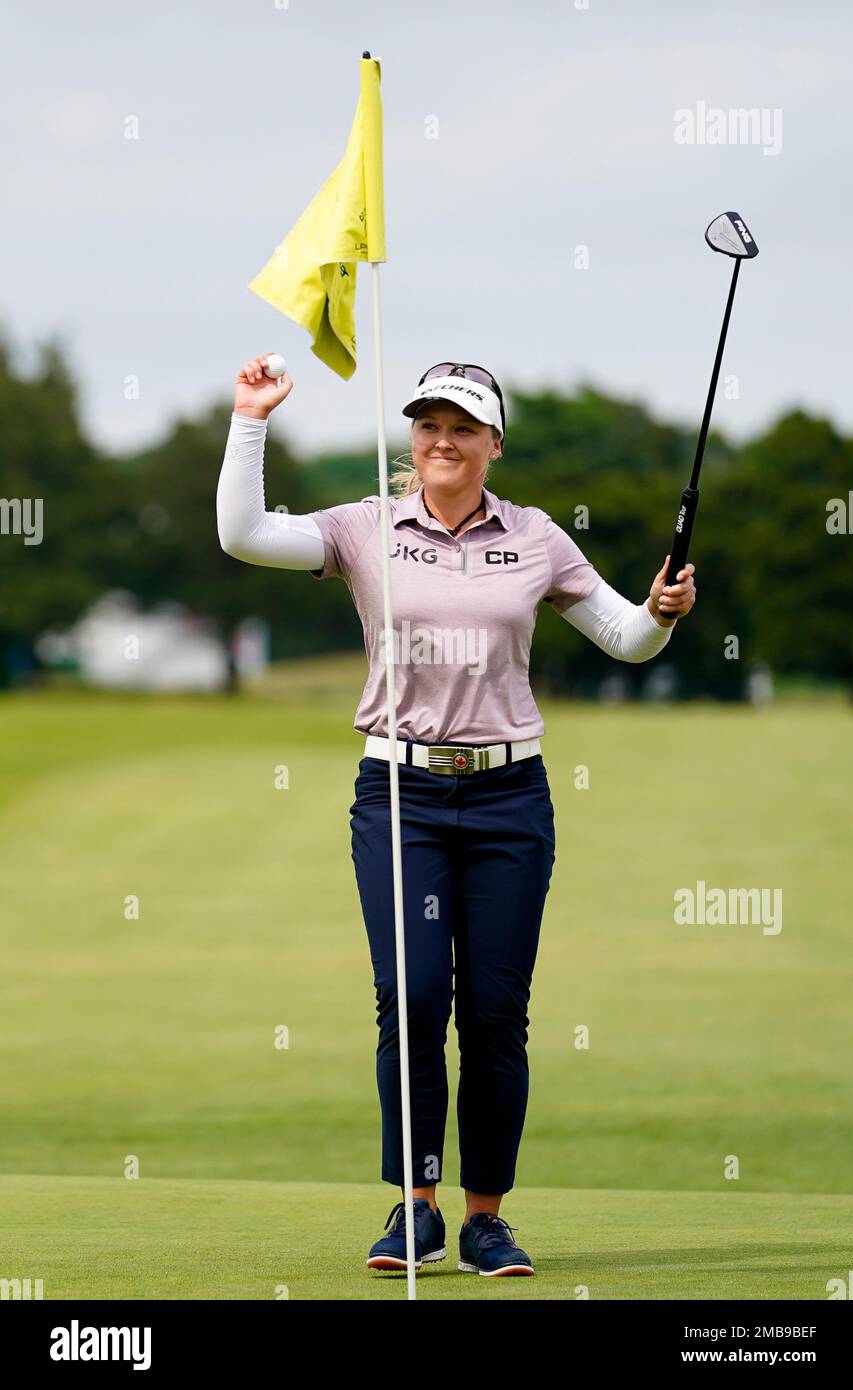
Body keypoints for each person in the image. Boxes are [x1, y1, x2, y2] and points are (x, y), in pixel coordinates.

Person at [216, 356, 696, 1278]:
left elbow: (627, 639)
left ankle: (485, 1220)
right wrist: (250, 419)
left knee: (495, 1012)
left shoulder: (538, 537)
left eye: (461, 426)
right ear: (414, 438)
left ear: (492, 443)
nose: (441, 439)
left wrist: (664, 611)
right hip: (399, 794)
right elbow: (242, 534)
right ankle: (417, 1207)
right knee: (413, 997)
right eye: (428, 424)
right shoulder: (366, 528)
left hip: (511, 797)